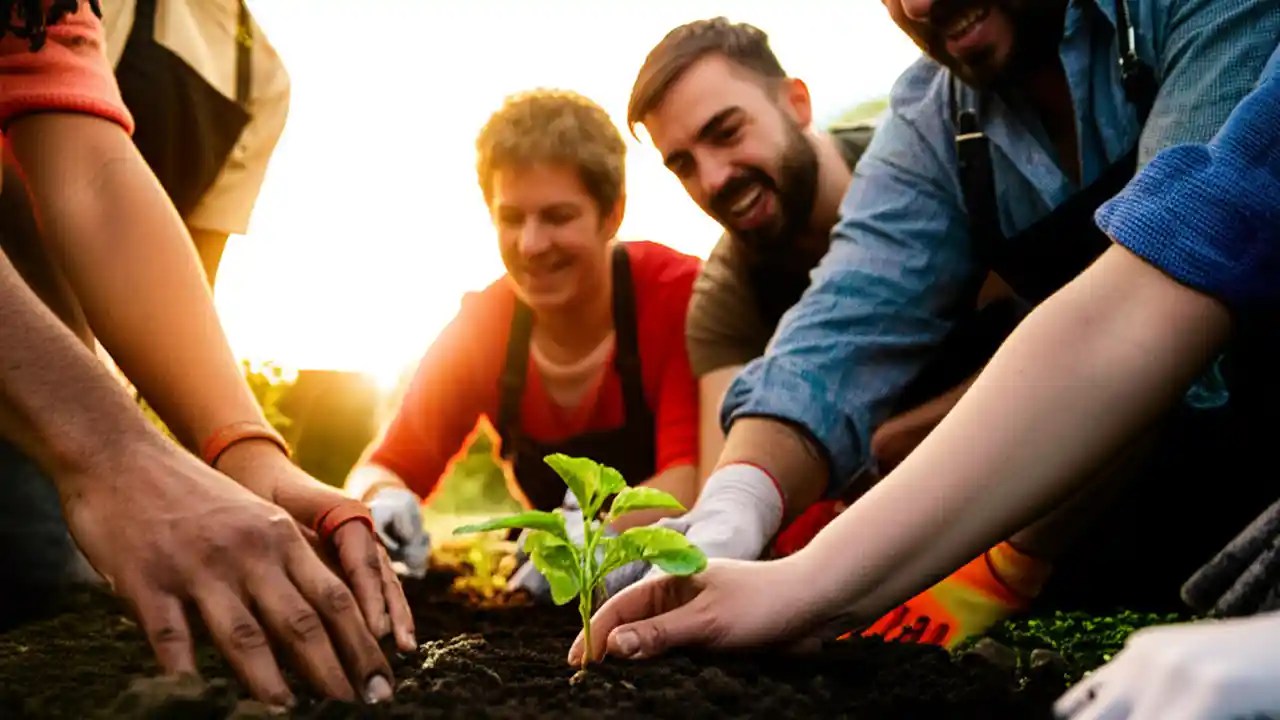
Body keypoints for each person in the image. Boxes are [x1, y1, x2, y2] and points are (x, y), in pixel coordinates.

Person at [572, 40, 1280, 720]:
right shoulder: (933, 118)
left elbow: (1154, 307)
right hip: (1005, 524)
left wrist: (977, 561)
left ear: (796, 102)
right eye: (683, 164)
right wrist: (742, 510)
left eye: (727, 131)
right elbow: (843, 330)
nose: (715, 177)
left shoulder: (1193, 20)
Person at [0, 1, 411, 707]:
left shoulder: (255, 75)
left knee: (42, 577)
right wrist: (111, 452)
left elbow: (83, 165)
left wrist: (245, 453)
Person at [344, 89, 700, 586]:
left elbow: (692, 477)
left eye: (558, 216)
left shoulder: (679, 297)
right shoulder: (482, 328)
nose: (531, 245)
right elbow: (387, 463)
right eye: (512, 218)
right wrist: (380, 501)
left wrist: (589, 540)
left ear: (613, 214)